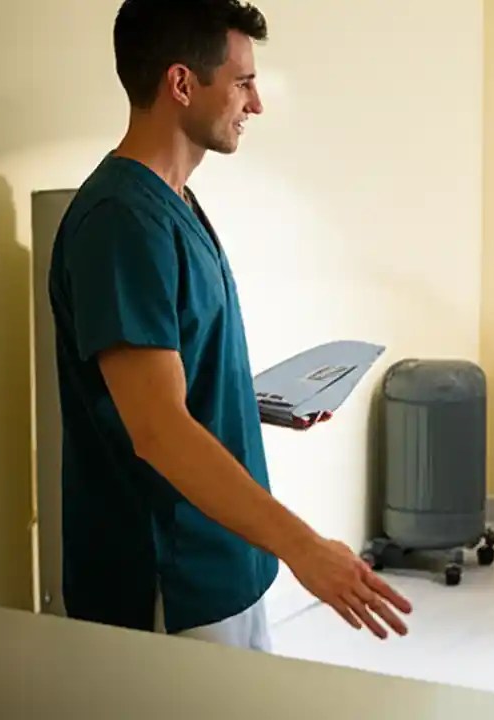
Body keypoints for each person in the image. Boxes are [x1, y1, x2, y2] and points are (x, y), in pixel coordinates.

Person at [46, 0, 411, 651]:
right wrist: (306, 547)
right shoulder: (122, 223)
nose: (257, 103)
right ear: (182, 84)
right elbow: (158, 430)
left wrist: (255, 403)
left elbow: (176, 380)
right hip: (169, 579)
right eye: (242, 81)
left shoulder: (176, 203)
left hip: (223, 559)